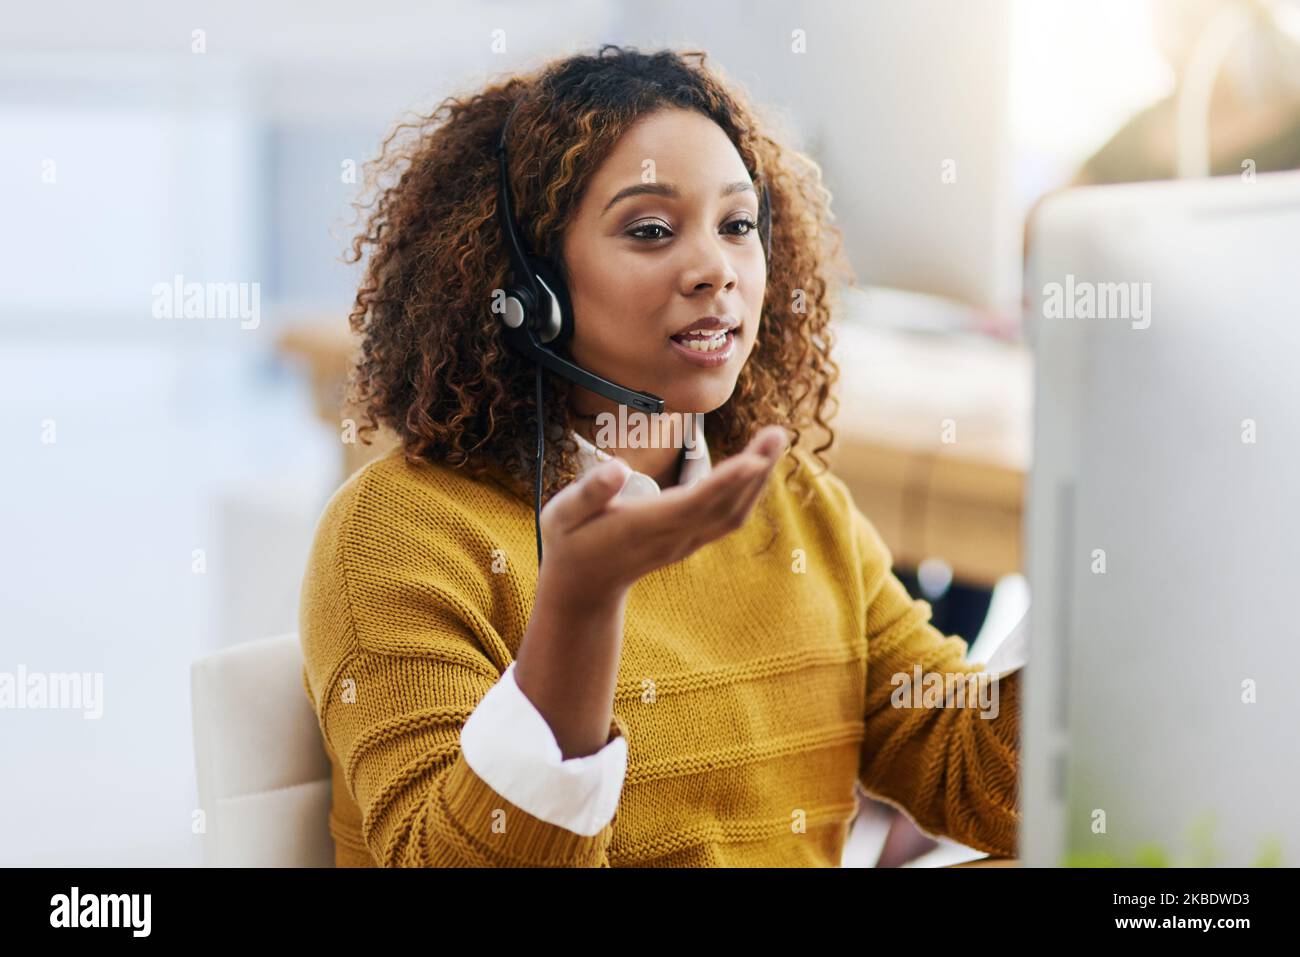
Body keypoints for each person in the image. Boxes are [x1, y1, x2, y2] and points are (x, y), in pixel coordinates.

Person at [298, 44, 1020, 867]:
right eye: (649, 230)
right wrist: (580, 606)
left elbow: (976, 776)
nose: (716, 269)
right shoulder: (398, 533)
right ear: (531, 289)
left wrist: (1109, 566)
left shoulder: (793, 501)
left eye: (738, 225)